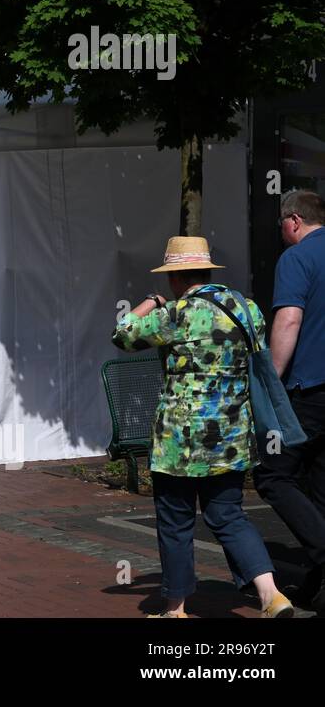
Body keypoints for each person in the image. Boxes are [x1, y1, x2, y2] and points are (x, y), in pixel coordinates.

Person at [112, 235, 293, 618]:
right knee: (228, 515)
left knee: (176, 520)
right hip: (231, 435)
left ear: (176, 278)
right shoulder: (248, 309)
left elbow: (122, 334)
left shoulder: (176, 313)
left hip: (178, 440)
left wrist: (151, 302)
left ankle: (175, 609)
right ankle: (271, 594)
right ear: (208, 270)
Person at [257, 189, 325, 611]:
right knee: (320, 486)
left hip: (308, 391)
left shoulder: (296, 259)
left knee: (273, 475)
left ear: (294, 221)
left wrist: (271, 381)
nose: (281, 232)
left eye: (282, 223)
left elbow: (289, 318)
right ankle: (316, 585)